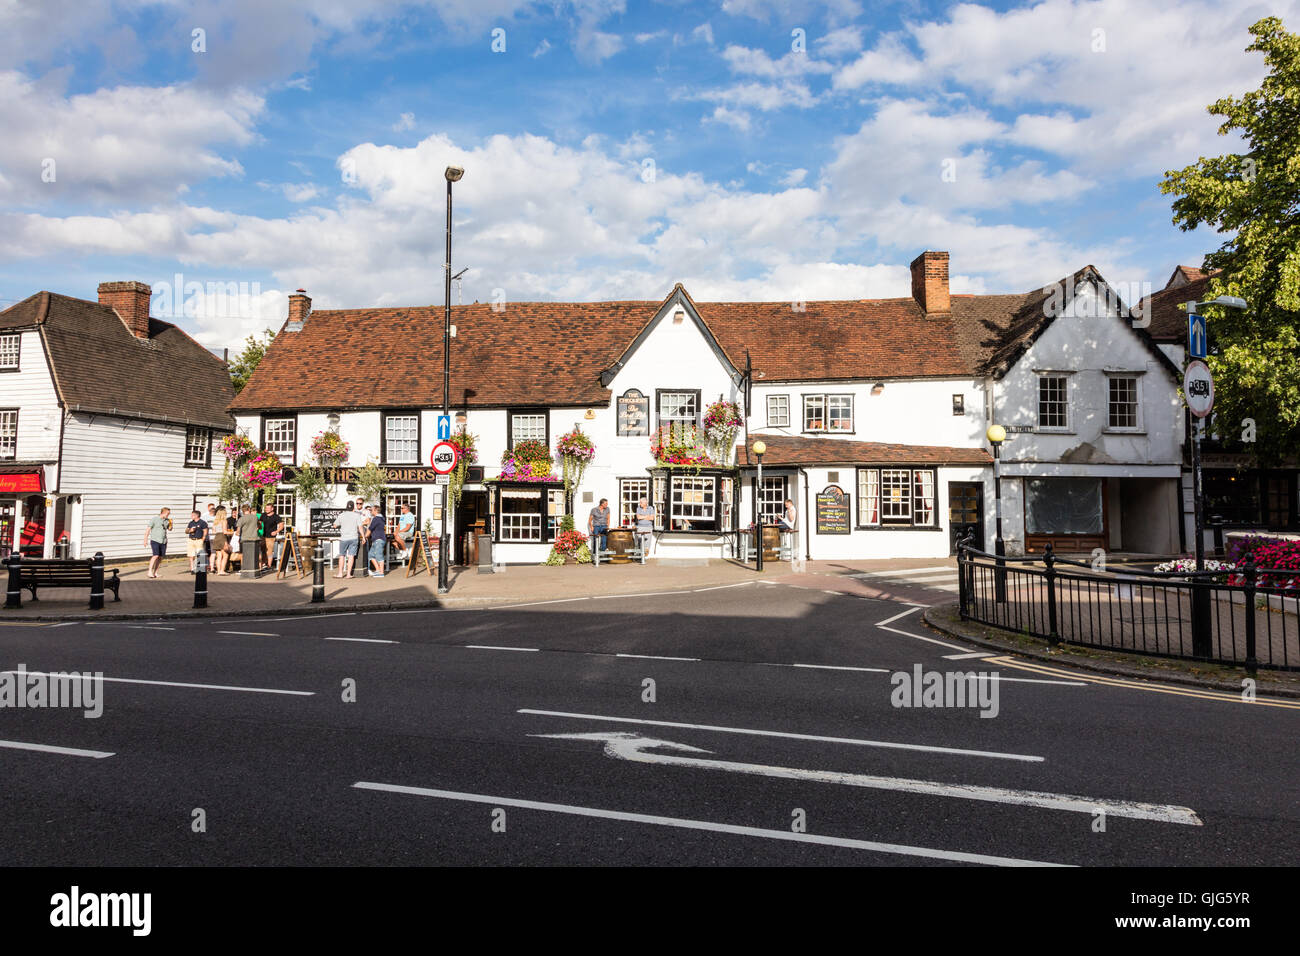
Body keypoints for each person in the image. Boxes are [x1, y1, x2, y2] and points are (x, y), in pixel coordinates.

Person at [332, 500, 363, 579]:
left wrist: (341, 525)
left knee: (342, 555)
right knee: (351, 556)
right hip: (354, 538)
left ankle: (340, 574)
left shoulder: (341, 515)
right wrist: (363, 536)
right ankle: (349, 574)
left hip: (344, 538)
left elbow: (335, 525)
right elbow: (360, 527)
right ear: (353, 508)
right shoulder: (357, 515)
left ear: (346, 507)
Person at [143, 507, 171, 578]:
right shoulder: (154, 519)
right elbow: (148, 529)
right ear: (163, 512)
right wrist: (145, 540)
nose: (169, 515)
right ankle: (149, 571)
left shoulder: (167, 520)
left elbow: (170, 529)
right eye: (168, 513)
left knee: (160, 557)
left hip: (163, 541)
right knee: (155, 555)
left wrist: (171, 524)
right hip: (155, 540)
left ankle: (155, 572)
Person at [236, 505, 259, 572]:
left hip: (244, 539)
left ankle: (243, 569)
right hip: (254, 538)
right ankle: (254, 570)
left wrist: (237, 533)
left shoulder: (241, 519)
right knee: (254, 555)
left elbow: (238, 531)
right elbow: (258, 526)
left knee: (244, 555)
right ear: (249, 509)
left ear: (242, 511)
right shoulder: (255, 517)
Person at [367, 505, 387, 577]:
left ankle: (381, 573)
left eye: (371, 510)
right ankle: (378, 570)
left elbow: (370, 529)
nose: (370, 511)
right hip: (376, 540)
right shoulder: (380, 518)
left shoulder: (376, 518)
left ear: (375, 510)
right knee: (371, 555)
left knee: (379, 556)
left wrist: (365, 536)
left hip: (378, 539)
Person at [634, 497, 655, 563]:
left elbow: (652, 518)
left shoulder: (651, 508)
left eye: (641, 502)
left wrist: (642, 517)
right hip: (640, 527)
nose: (640, 504)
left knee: (647, 543)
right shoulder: (638, 508)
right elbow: (638, 517)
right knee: (639, 542)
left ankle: (644, 557)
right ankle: (640, 556)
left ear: (645, 503)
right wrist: (647, 516)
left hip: (648, 527)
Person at [260, 503, 281, 569]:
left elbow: (281, 525)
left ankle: (269, 565)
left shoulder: (276, 516)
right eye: (266, 508)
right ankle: (264, 563)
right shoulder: (263, 515)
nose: (266, 509)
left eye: (268, 508)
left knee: (269, 551)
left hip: (271, 537)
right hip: (263, 536)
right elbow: (259, 523)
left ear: (272, 509)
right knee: (263, 550)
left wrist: (276, 531)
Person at [211, 506, 230, 575]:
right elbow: (225, 531)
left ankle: (218, 571)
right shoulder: (224, 521)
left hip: (216, 537)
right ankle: (222, 570)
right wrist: (232, 532)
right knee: (225, 555)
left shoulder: (215, 522)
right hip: (222, 537)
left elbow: (213, 532)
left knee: (219, 556)